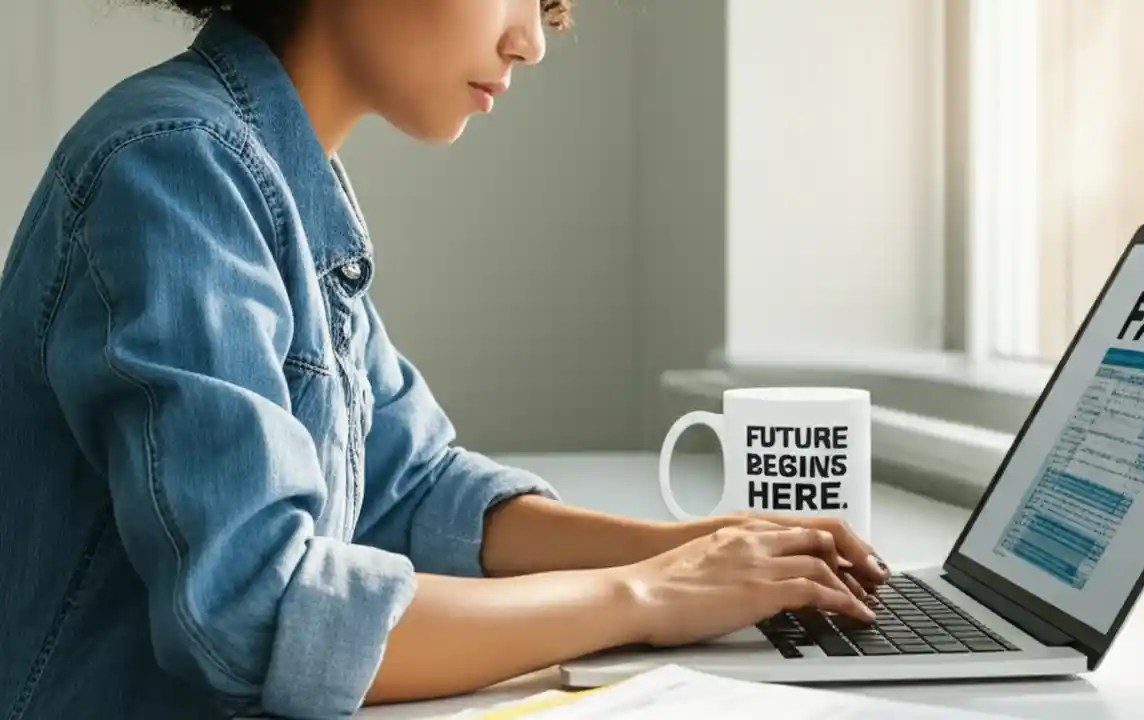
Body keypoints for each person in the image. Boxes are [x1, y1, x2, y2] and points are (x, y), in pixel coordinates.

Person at [0, 1, 888, 717]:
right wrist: (646, 594)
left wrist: (693, 547)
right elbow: (256, 613)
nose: (532, 40)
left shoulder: (273, 173)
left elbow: (412, 488)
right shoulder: (173, 165)